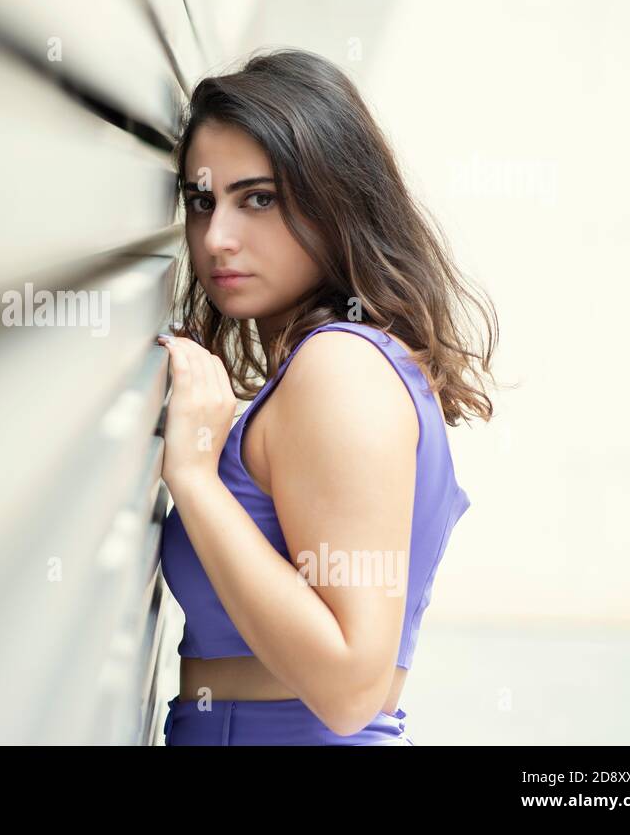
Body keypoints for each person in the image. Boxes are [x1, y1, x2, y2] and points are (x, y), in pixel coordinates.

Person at [156, 48, 499, 745]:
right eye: (202, 201)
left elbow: (348, 687)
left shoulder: (340, 368)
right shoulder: (335, 366)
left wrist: (194, 476)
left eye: (258, 198)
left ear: (336, 197)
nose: (217, 238)